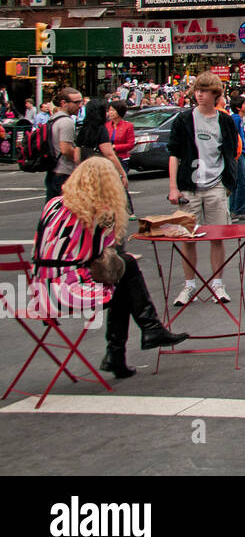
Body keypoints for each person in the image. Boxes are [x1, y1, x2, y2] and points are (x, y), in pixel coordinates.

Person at [34, 159, 189, 379]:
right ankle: (145, 332)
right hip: (68, 292)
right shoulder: (100, 212)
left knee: (124, 273)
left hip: (41, 291)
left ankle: (123, 351)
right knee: (125, 271)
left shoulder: (53, 204)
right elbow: (105, 261)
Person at [166, 71, 239, 306]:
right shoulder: (184, 119)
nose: (199, 95)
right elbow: (174, 154)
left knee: (216, 236)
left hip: (216, 184)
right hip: (189, 186)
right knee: (188, 237)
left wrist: (229, 183)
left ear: (215, 94)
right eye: (197, 90)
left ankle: (217, 283)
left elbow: (230, 152)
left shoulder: (225, 120)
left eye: (205, 91)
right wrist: (173, 187)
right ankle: (189, 285)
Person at [44, 88, 83, 201]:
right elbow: (65, 149)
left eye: (80, 102)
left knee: (52, 211)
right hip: (64, 172)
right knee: (64, 213)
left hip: (53, 171)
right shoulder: (67, 122)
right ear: (63, 103)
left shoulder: (53, 118)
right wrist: (81, 160)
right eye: (76, 102)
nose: (80, 106)